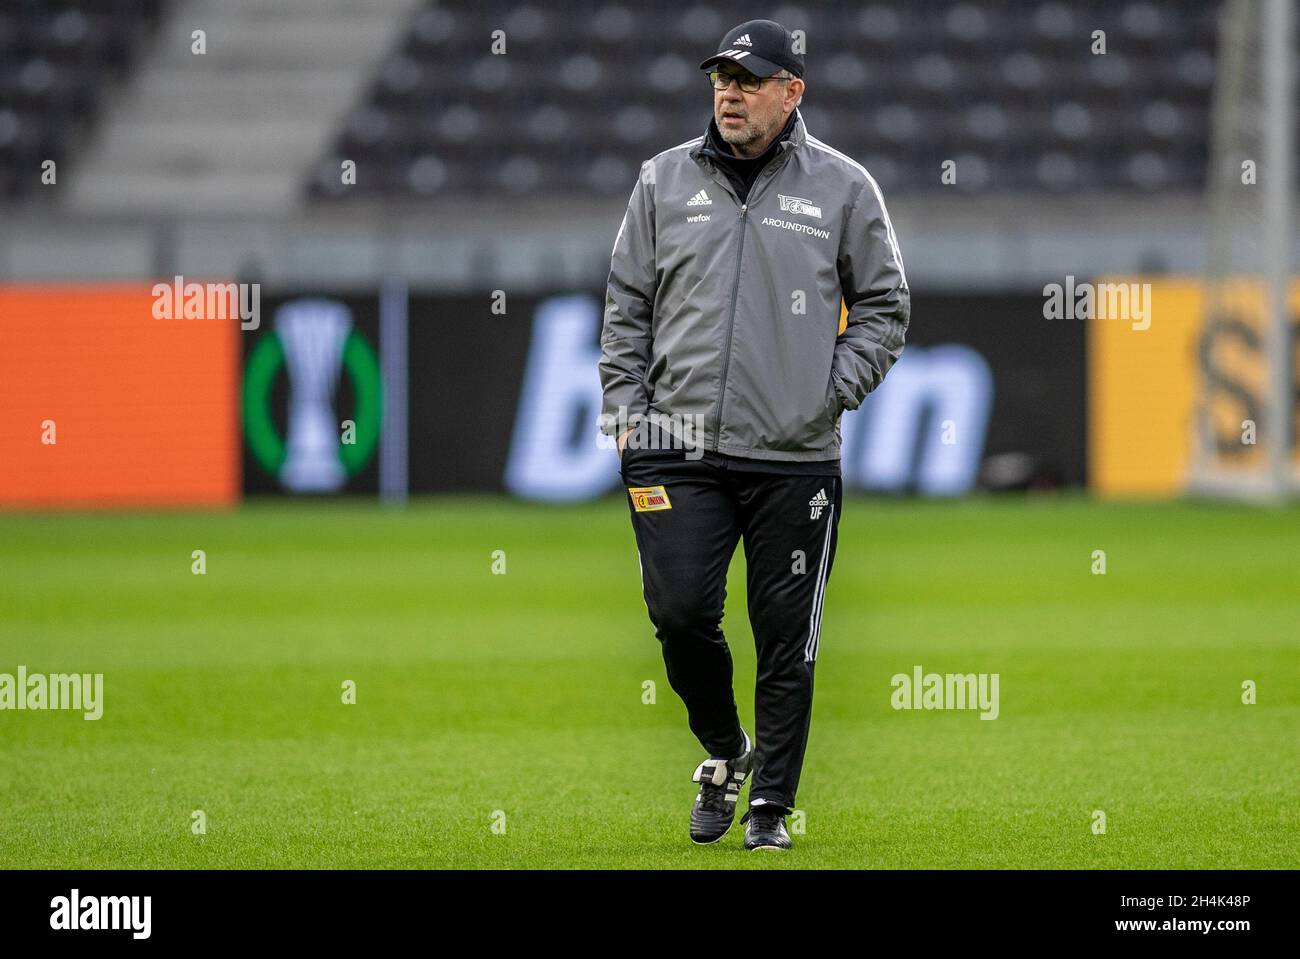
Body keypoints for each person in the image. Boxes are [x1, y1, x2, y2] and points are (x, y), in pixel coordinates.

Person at [597, 18, 910, 851]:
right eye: (720, 78)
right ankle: (726, 747)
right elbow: (626, 304)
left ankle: (770, 804)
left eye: (748, 79)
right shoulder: (661, 181)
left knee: (786, 641)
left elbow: (884, 304)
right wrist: (629, 412)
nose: (729, 92)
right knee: (681, 612)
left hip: (792, 454)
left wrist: (832, 390)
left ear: (791, 92)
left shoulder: (844, 188)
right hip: (675, 443)